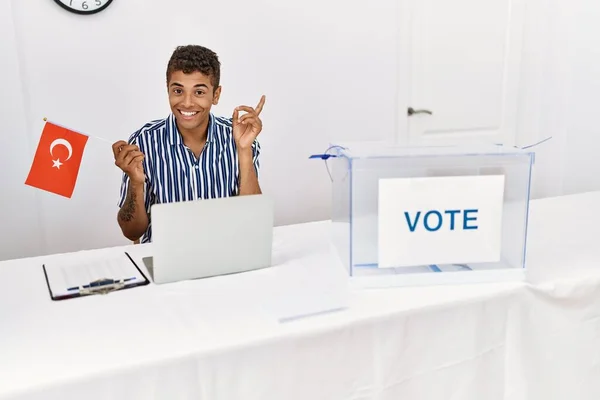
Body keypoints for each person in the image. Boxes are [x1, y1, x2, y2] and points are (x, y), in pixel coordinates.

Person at [112, 45, 265, 243]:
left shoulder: (239, 136)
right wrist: (136, 183)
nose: (186, 103)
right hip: (166, 260)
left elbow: (252, 220)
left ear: (216, 95)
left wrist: (244, 150)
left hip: (225, 254)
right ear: (168, 90)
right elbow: (131, 232)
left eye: (199, 92)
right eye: (178, 90)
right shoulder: (144, 142)